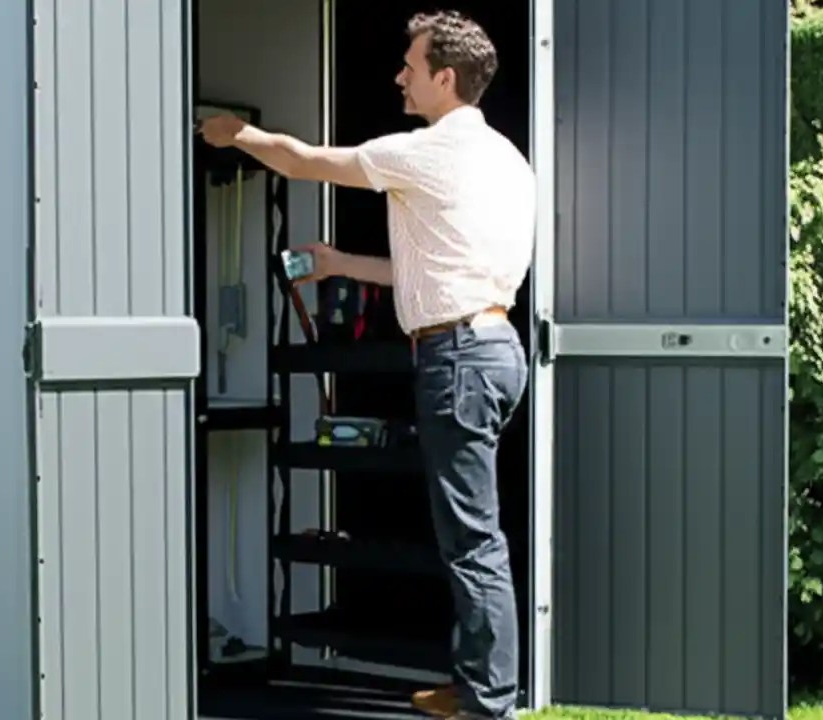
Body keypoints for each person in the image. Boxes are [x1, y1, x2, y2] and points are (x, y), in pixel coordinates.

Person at [199, 10, 534, 720]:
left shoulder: (429, 151)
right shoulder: (505, 158)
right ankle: (477, 684)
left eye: (410, 67)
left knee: (472, 541)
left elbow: (303, 160)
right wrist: (338, 264)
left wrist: (236, 134)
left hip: (459, 358)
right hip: (492, 349)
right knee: (470, 534)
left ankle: (488, 704)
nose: (399, 78)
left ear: (446, 77)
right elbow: (434, 269)